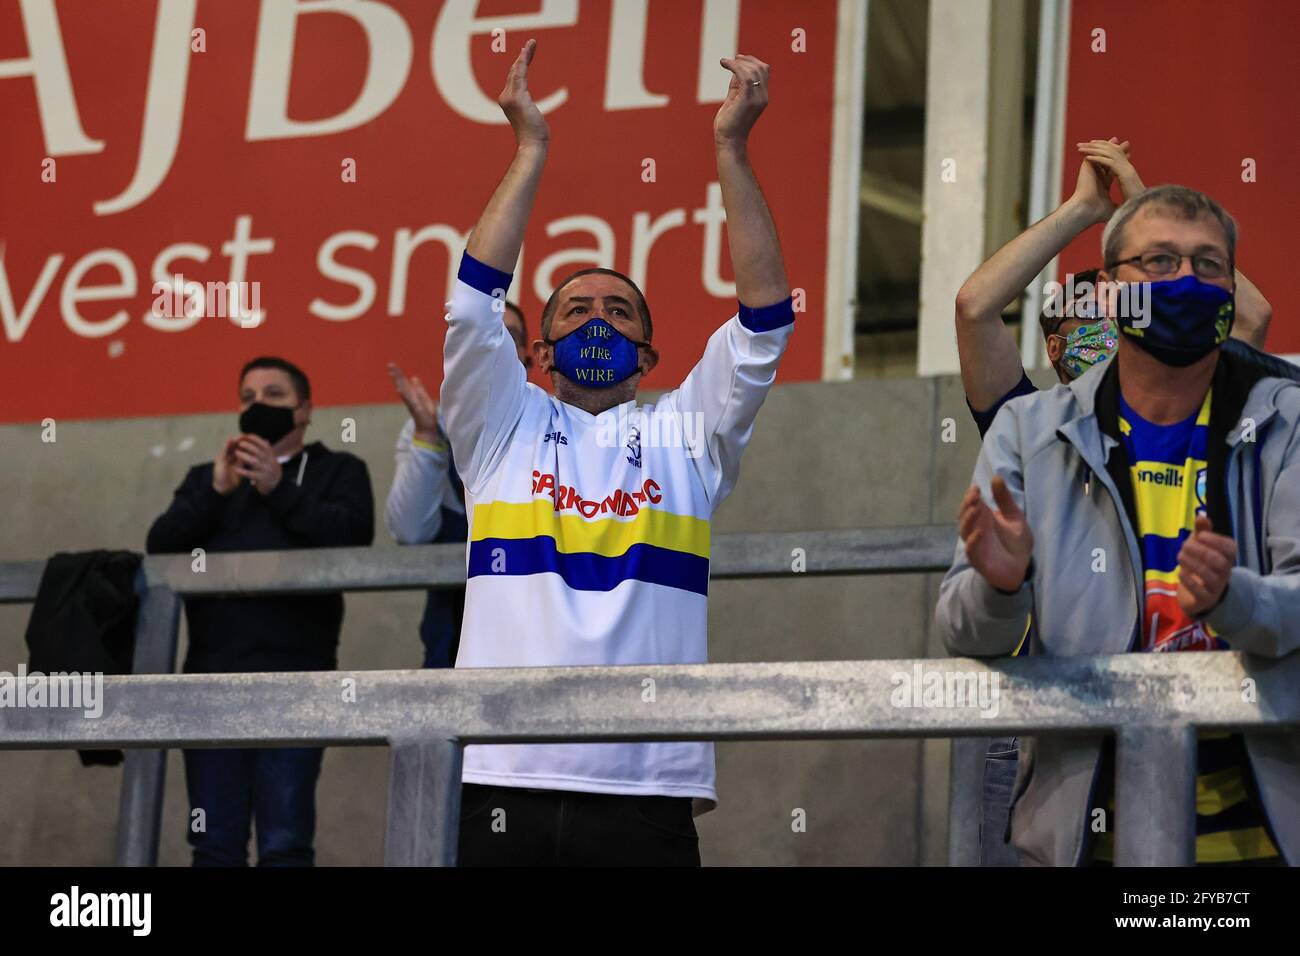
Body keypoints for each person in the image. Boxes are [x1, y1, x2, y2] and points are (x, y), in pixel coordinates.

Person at [443, 39, 794, 866]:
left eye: (619, 312)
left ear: (649, 357)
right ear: (535, 351)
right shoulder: (500, 428)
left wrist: (731, 147)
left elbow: (765, 317)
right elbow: (469, 308)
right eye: (574, 311)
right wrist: (530, 147)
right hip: (501, 775)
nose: (596, 321)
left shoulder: (685, 434)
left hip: (647, 788)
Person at [937, 184, 1300, 866]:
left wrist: (1149, 212)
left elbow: (1250, 310)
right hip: (1081, 790)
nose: (1185, 283)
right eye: (1156, 265)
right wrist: (1002, 586)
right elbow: (975, 305)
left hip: (1262, 807)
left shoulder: (1276, 410)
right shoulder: (1030, 425)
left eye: (1205, 266)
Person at [146, 356, 375, 866]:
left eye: (274, 395)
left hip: (298, 682)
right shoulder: (208, 479)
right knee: (213, 844)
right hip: (210, 685)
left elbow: (352, 537)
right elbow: (159, 547)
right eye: (247, 397)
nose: (258, 407)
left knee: (285, 843)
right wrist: (216, 490)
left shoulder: (339, 470)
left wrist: (279, 488)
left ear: (305, 409)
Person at [384, 304, 530, 669]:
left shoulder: (556, 424)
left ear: (529, 355)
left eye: (507, 337)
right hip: (452, 646)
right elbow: (409, 532)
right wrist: (427, 438)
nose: (493, 345)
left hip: (540, 639)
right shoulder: (433, 427)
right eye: (479, 337)